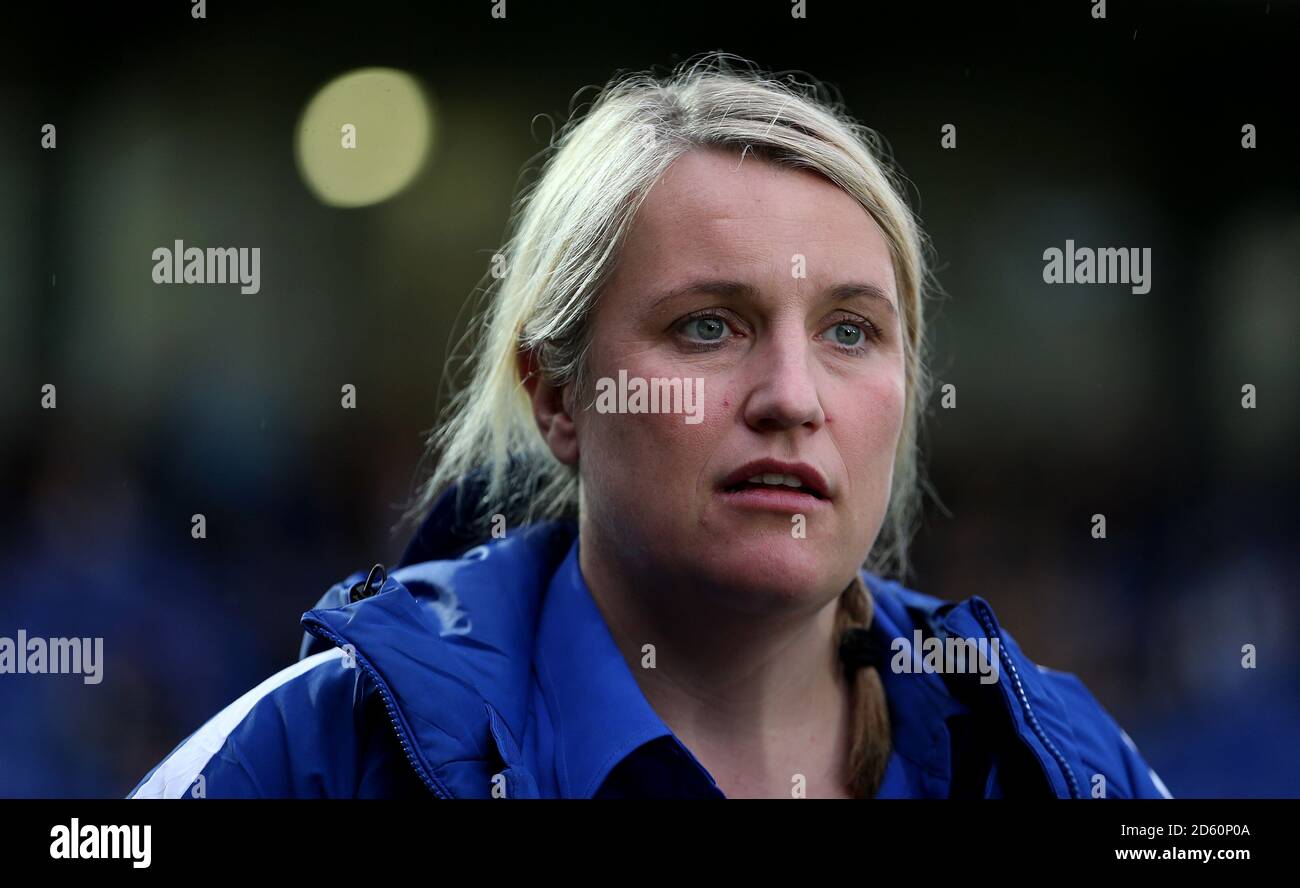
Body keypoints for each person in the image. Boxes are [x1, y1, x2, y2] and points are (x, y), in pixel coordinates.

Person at [129, 54, 1171, 799]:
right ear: (554, 395)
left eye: (851, 332)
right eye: (708, 326)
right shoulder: (316, 751)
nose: (792, 396)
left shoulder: (1059, 760)